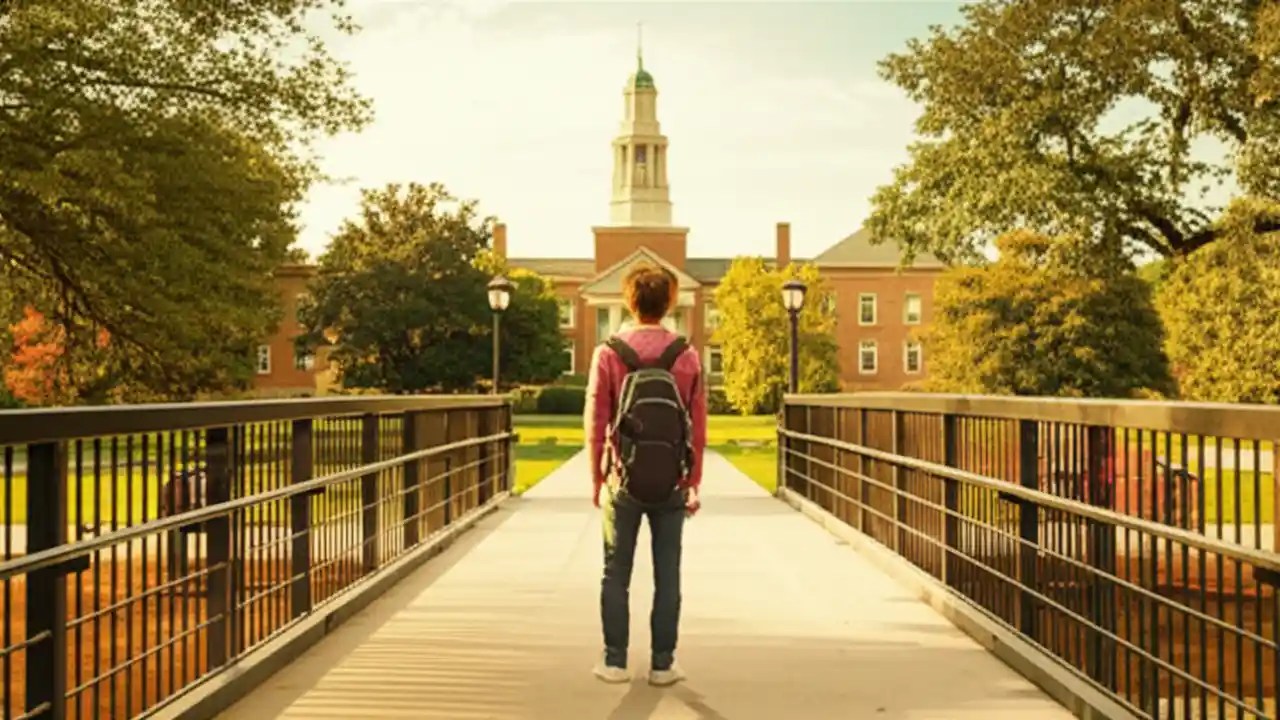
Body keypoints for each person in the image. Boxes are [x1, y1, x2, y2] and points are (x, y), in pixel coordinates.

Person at [585, 263, 707, 687]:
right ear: (669, 302)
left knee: (615, 572)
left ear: (628, 302)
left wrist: (597, 481)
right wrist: (692, 482)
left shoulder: (609, 353)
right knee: (667, 573)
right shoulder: (687, 354)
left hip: (623, 479)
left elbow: (596, 422)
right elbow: (698, 425)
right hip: (671, 480)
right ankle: (662, 663)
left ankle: (615, 661)